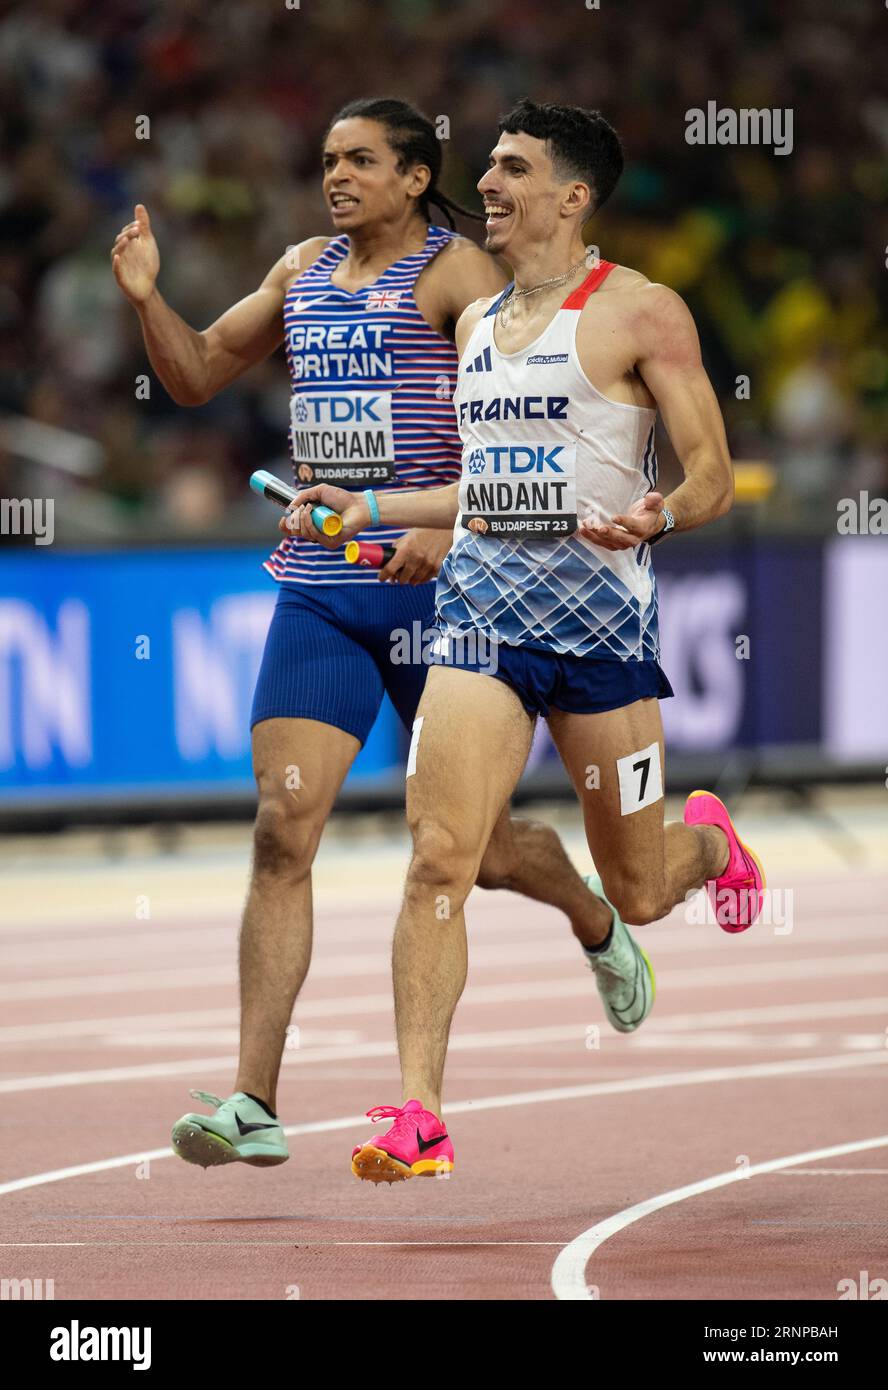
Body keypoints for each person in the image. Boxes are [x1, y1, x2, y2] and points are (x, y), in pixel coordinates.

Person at [111, 97, 642, 1170]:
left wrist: (445, 538)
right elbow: (197, 373)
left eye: (361, 161)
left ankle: (593, 914)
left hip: (443, 591)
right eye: (326, 160)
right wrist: (146, 300)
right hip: (321, 587)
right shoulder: (301, 266)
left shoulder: (457, 278)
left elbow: (522, 425)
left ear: (413, 177)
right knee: (279, 828)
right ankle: (255, 1100)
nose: (336, 176)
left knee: (481, 855)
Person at [286, 99, 766, 1183]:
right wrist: (373, 511)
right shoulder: (475, 322)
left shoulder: (644, 314)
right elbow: (484, 489)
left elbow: (713, 475)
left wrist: (658, 514)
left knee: (638, 887)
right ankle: (419, 1112)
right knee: (439, 858)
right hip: (483, 625)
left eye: (511, 167)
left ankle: (712, 846)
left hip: (600, 640)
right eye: (489, 165)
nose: (486, 183)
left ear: (574, 194)